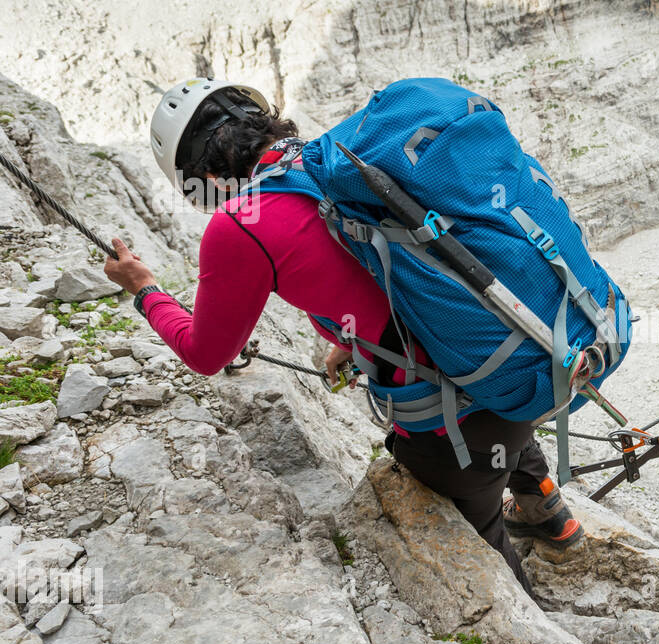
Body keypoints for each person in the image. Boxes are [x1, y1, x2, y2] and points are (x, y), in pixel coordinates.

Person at [105, 77, 581, 595]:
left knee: (476, 535)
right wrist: (350, 339)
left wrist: (145, 288)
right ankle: (548, 510)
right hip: (521, 352)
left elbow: (205, 352)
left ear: (207, 174)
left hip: (461, 423)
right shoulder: (332, 160)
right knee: (478, 379)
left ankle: (532, 635)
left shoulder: (239, 225)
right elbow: (382, 267)